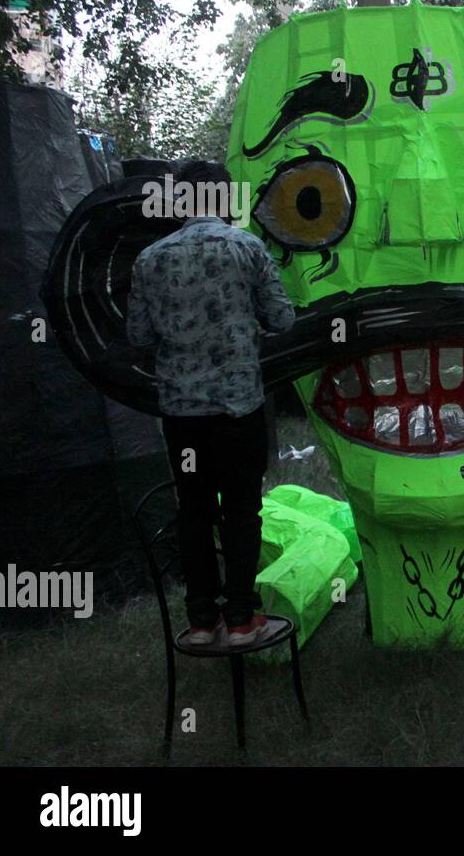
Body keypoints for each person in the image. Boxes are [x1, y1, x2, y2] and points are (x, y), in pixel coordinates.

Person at [127, 162, 295, 647]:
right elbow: (282, 319)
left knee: (194, 512)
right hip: (238, 410)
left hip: (181, 416)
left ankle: (202, 621)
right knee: (241, 510)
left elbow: (137, 334)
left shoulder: (150, 259)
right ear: (225, 200)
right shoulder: (247, 249)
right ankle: (242, 618)